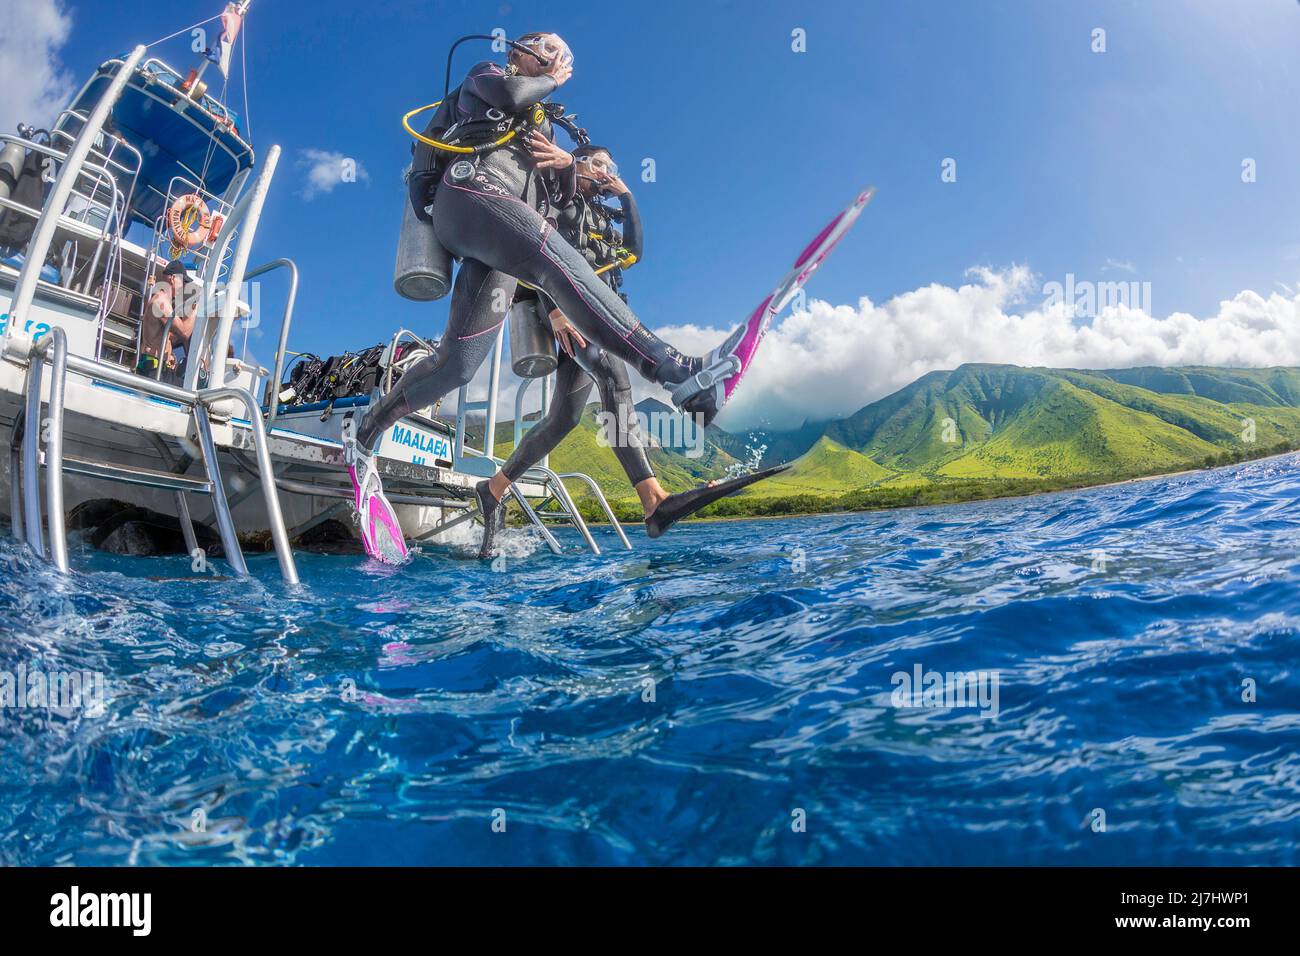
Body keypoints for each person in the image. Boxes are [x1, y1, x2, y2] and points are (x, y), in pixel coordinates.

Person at [344, 31, 772, 563]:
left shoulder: (542, 128)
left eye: (560, 53)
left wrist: (571, 167)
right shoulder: (489, 74)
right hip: (469, 192)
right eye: (545, 47)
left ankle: (366, 434)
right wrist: (552, 75)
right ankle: (680, 373)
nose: (554, 56)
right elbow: (508, 99)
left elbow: (560, 208)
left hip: (496, 246)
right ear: (521, 50)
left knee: (455, 367)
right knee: (559, 277)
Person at [475, 146, 787, 558]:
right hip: (565, 312)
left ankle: (492, 490)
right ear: (577, 162)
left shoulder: (601, 216)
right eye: (598, 164)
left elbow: (635, 251)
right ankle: (652, 499)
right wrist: (554, 310)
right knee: (613, 377)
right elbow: (531, 251)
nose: (605, 171)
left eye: (611, 166)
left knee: (563, 419)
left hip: (598, 315)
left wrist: (627, 196)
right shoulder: (558, 198)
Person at [138, 259, 197, 382]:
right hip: (153, 368)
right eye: (183, 281)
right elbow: (184, 333)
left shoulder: (165, 303)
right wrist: (197, 310)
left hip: (159, 366)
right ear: (173, 278)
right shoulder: (160, 302)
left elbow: (170, 336)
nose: (185, 285)